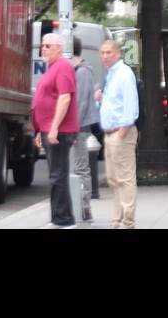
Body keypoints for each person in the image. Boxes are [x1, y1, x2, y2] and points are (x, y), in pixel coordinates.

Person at [31, 32, 79, 228]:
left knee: (58, 175)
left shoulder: (63, 67)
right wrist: (39, 130)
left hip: (59, 130)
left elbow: (64, 97)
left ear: (59, 48)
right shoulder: (51, 68)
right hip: (49, 129)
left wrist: (53, 128)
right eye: (42, 45)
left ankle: (64, 220)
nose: (44, 48)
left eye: (48, 46)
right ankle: (59, 218)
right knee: (56, 175)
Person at [98, 39, 139, 229]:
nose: (105, 56)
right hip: (110, 133)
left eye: (109, 52)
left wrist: (123, 130)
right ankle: (118, 219)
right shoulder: (111, 75)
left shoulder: (124, 74)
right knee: (113, 180)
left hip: (120, 133)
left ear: (118, 53)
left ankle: (127, 222)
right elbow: (114, 104)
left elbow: (130, 104)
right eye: (103, 52)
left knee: (124, 179)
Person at [69, 37, 99, 224]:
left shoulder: (82, 72)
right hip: (76, 127)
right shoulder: (79, 71)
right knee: (78, 168)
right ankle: (80, 206)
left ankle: (84, 208)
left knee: (80, 168)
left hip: (78, 128)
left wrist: (72, 128)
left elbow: (80, 103)